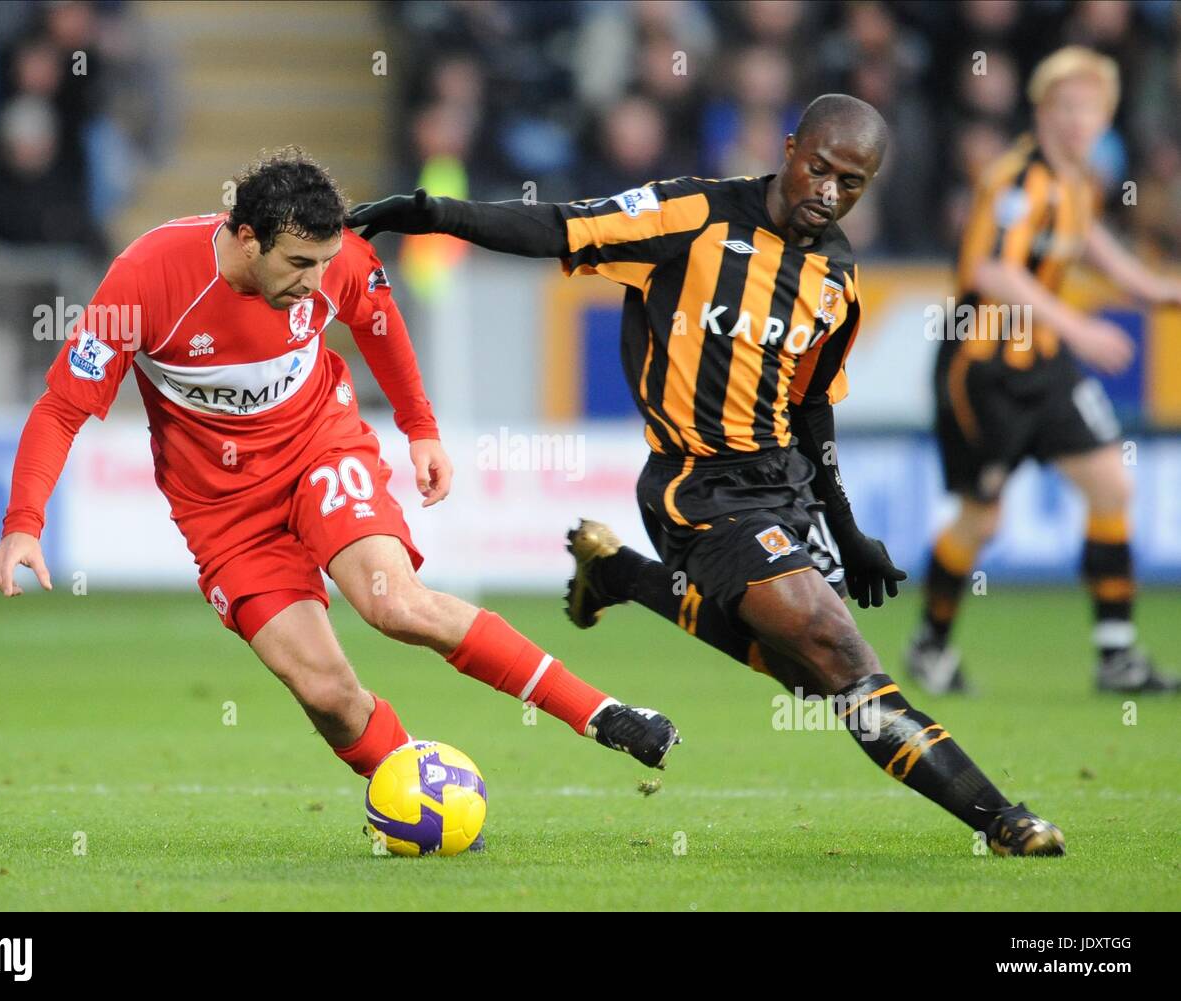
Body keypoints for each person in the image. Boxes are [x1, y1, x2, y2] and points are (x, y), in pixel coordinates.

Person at [349, 94, 1065, 856]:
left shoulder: (837, 278)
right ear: (788, 149)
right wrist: (426, 211)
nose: (827, 192)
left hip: (781, 487)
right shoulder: (689, 213)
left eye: (850, 182)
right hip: (698, 489)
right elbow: (558, 225)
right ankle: (1002, 819)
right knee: (838, 647)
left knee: (811, 680)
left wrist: (846, 530)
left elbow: (812, 408)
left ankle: (623, 574)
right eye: (817, 168)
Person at [0, 148, 681, 814]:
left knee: (397, 605)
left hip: (320, 446)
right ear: (246, 237)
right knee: (327, 692)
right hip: (221, 512)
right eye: (297, 264)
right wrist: (23, 523)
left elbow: (378, 322)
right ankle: (422, 791)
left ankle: (604, 713)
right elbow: (62, 407)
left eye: (323, 263)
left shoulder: (335, 255)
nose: (315, 283)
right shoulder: (147, 278)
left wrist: (421, 427)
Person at [909, 47, 1181, 695]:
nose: (1078, 119)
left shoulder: (1076, 183)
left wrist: (1162, 291)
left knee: (1112, 486)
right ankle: (929, 643)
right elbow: (990, 271)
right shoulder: (1015, 180)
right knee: (984, 520)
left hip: (1045, 366)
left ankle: (1116, 656)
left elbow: (1099, 253)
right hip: (984, 367)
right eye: (1067, 106)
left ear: (1106, 116)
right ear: (1043, 111)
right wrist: (1079, 325)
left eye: (1091, 108)